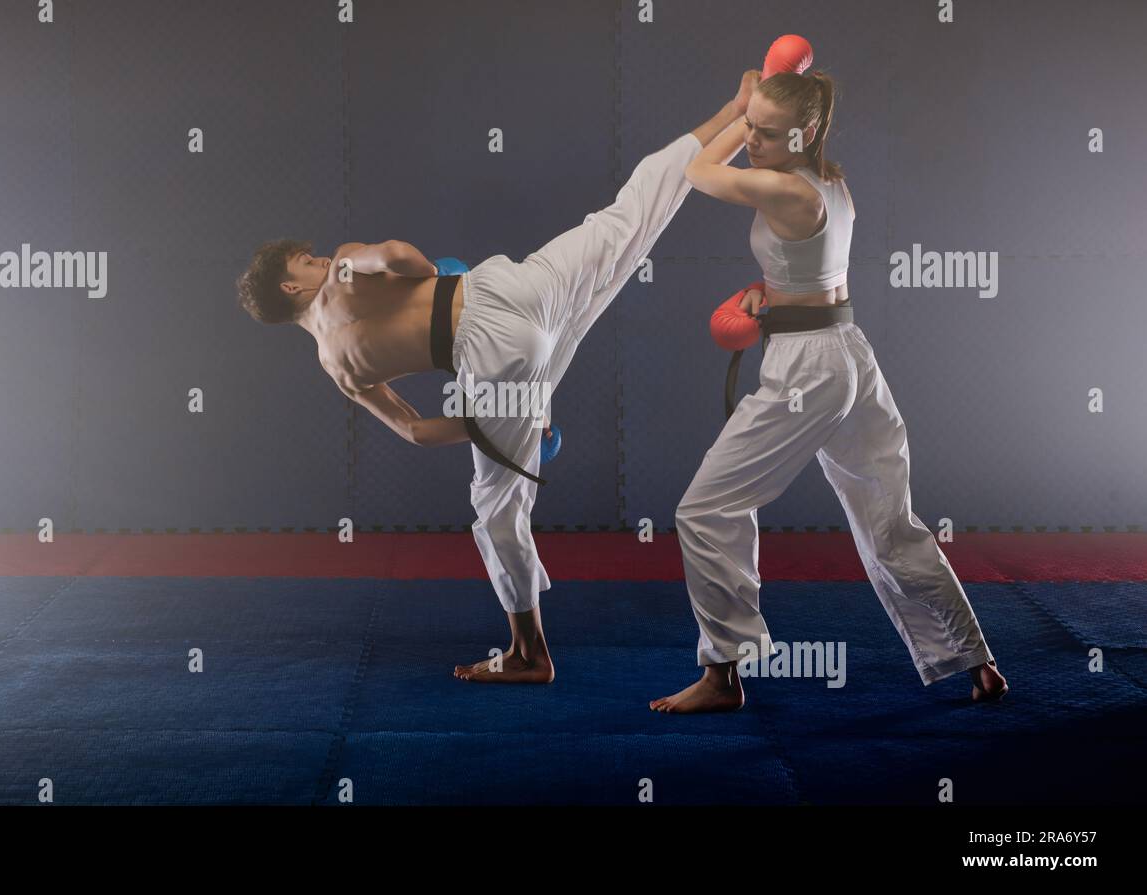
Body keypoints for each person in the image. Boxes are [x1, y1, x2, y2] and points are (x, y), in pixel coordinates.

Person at [236, 73, 764, 684]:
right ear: (290, 286)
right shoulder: (347, 267)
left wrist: (490, 425)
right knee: (625, 218)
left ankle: (529, 652)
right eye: (308, 261)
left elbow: (413, 432)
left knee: (497, 507)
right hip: (505, 289)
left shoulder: (338, 367)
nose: (322, 258)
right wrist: (422, 271)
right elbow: (404, 256)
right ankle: (739, 116)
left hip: (497, 356)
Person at [651, 70, 1009, 712]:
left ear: (806, 130)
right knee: (890, 524)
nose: (752, 138)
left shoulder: (791, 190)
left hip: (808, 372)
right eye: (750, 127)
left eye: (763, 130)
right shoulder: (832, 183)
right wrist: (768, 296)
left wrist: (734, 110)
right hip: (846, 354)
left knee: (705, 511)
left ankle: (723, 675)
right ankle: (976, 658)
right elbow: (815, 279)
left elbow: (696, 172)